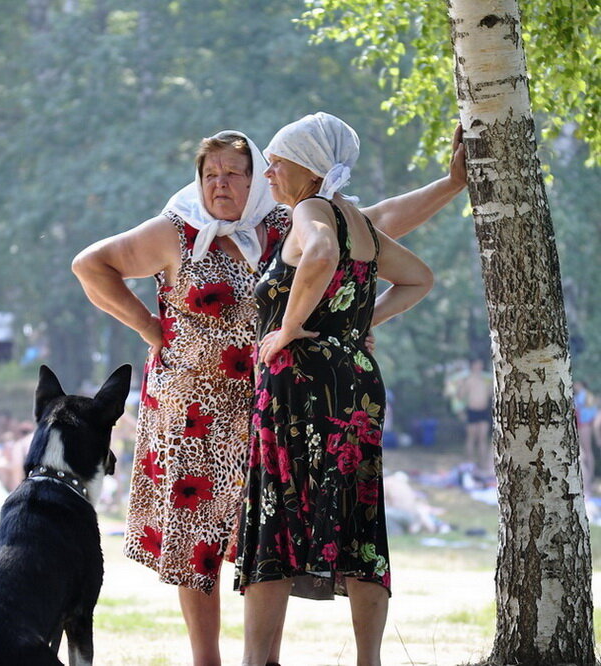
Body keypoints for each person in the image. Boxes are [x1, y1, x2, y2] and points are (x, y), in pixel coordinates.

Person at [72, 126, 466, 666]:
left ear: (258, 176)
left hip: (275, 402)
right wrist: (150, 328)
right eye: (210, 174)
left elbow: (376, 227)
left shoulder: (286, 220)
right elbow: (91, 265)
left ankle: (266, 658)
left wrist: (448, 186)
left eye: (234, 172)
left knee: (267, 535)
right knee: (197, 537)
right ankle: (206, 659)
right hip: (193, 411)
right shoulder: (176, 229)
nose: (220, 184)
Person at [233, 112, 436, 666]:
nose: (267, 171)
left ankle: (259, 661)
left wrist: (291, 327)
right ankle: (367, 660)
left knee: (276, 513)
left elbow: (320, 253)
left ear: (307, 166)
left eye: (275, 161)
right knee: (357, 513)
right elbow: (419, 276)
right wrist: (359, 328)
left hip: (298, 384)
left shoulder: (310, 211)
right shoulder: (358, 220)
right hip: (355, 382)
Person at [457, 358, 493, 474]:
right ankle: (470, 462)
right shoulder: (468, 380)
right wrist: (460, 386)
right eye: (477, 364)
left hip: (483, 411)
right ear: (472, 366)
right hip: (472, 411)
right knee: (471, 437)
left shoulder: (485, 380)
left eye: (480, 364)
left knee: (482, 438)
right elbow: (460, 396)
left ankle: (482, 464)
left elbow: (490, 394)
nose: (479, 367)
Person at [574, 380, 598, 492]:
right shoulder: (580, 396)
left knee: (587, 452)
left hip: (584, 425)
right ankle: (587, 477)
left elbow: (590, 412)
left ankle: (589, 478)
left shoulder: (585, 395)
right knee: (584, 452)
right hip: (581, 425)